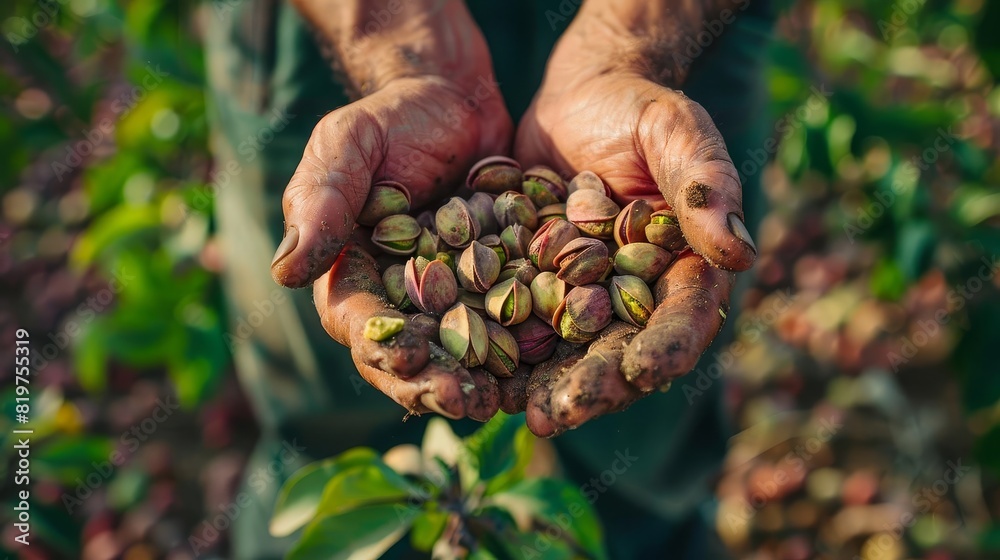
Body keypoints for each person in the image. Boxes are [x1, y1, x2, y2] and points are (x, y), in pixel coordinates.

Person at [203, 0, 774, 557]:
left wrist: (629, 43)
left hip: (678, 28)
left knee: (644, 436)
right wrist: (400, 40)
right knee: (332, 419)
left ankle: (644, 533)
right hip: (321, 31)